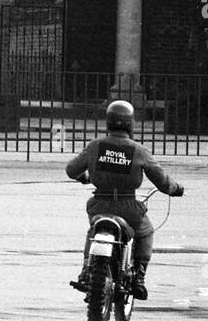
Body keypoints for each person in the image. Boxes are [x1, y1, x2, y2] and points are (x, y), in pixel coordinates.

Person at [65, 100, 184, 301]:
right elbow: (162, 181)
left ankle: (86, 269)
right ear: (130, 124)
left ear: (108, 122)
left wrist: (84, 177)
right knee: (146, 232)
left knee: (93, 231)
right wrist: (176, 189)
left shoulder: (95, 146)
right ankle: (139, 276)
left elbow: (71, 170)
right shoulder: (139, 150)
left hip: (99, 204)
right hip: (128, 207)